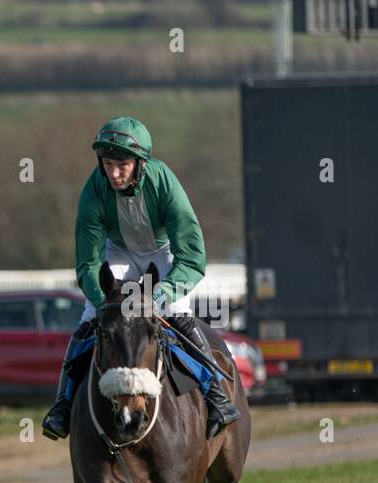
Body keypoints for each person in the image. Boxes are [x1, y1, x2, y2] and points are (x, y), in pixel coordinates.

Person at [41, 117, 241, 441]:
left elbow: (191, 257)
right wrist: (103, 301)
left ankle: (215, 395)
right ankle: (63, 404)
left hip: (160, 254)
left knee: (178, 314)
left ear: (140, 163)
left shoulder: (165, 184)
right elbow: (88, 264)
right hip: (117, 254)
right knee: (90, 317)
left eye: (122, 165)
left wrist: (159, 297)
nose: (114, 174)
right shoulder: (94, 189)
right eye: (108, 164)